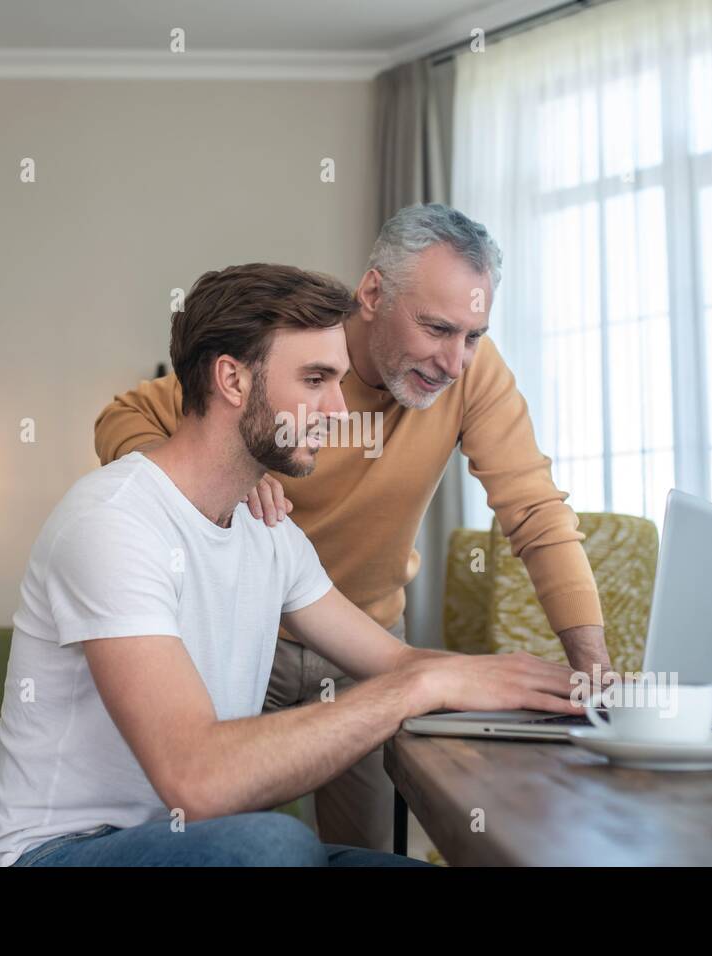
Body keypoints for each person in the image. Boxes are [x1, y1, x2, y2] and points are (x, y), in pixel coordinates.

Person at [0, 262, 585, 867]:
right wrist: (415, 689)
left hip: (204, 848)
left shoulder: (272, 536)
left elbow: (395, 661)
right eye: (315, 379)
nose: (341, 412)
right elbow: (199, 779)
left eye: (339, 382)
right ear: (233, 381)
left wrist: (542, 689)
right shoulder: (113, 522)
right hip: (60, 852)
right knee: (273, 844)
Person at [93, 205, 611, 850]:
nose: (455, 362)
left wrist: (594, 671)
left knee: (365, 846)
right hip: (250, 634)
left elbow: (534, 511)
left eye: (473, 335)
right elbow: (125, 418)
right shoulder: (295, 351)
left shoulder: (472, 374)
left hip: (368, 640)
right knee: (226, 840)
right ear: (371, 295)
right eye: (437, 328)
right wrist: (223, 475)